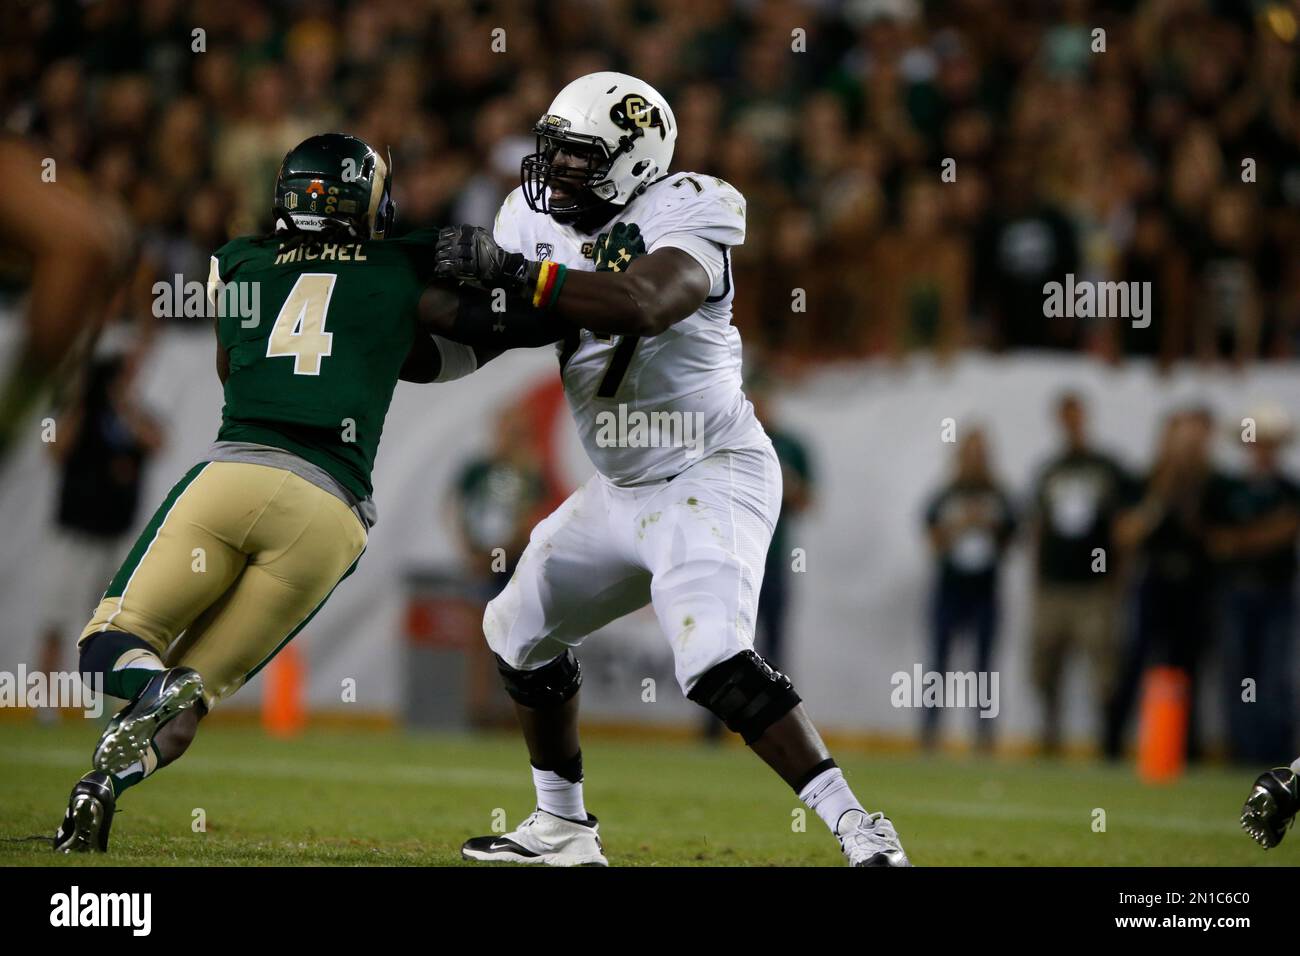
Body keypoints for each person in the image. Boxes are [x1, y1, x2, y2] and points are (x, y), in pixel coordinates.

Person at [435, 72, 911, 866]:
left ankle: (862, 831)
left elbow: (646, 301)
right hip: (620, 487)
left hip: (708, 468)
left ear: (632, 160)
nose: (553, 171)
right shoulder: (532, 217)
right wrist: (400, 318)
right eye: (551, 152)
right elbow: (502, 327)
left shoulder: (690, 204)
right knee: (515, 629)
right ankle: (562, 830)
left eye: (577, 158)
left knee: (713, 658)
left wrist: (519, 275)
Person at [52, 132, 564, 853]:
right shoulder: (402, 262)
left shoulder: (239, 263)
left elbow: (239, 368)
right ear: (366, 201)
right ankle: (102, 785)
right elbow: (487, 332)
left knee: (113, 645)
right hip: (328, 514)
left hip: (234, 477)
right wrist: (528, 279)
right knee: (193, 690)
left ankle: (140, 706)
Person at [36, 352, 164, 705]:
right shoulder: (79, 413)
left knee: (121, 621)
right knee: (57, 616)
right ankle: (46, 704)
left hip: (118, 533)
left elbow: (156, 442)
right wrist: (81, 397)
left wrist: (124, 403)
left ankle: (115, 703)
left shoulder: (133, 414)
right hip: (76, 532)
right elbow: (55, 449)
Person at [1027, 392, 1132, 755]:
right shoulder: (1048, 471)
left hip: (1092, 587)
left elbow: (1122, 528)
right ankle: (1049, 736)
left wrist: (1116, 579)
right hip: (1054, 586)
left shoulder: (1107, 468)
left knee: (1104, 670)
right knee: (1045, 669)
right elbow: (1037, 530)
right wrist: (1036, 582)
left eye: (1076, 415)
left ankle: (1109, 742)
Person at [1210, 404, 1299, 763]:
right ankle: (1243, 750)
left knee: (1273, 674)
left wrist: (1242, 540)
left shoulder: (1288, 489)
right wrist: (1265, 534)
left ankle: (1273, 751)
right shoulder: (1228, 489)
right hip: (1238, 592)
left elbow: (1281, 532)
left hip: (1276, 593)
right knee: (1241, 675)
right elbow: (1216, 541)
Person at [921, 427, 1016, 752]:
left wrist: (988, 525)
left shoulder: (1000, 495)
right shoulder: (946, 495)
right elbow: (932, 541)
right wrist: (961, 525)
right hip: (950, 590)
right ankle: (930, 733)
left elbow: (1012, 540)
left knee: (983, 667)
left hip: (985, 591)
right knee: (939, 664)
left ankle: (984, 734)